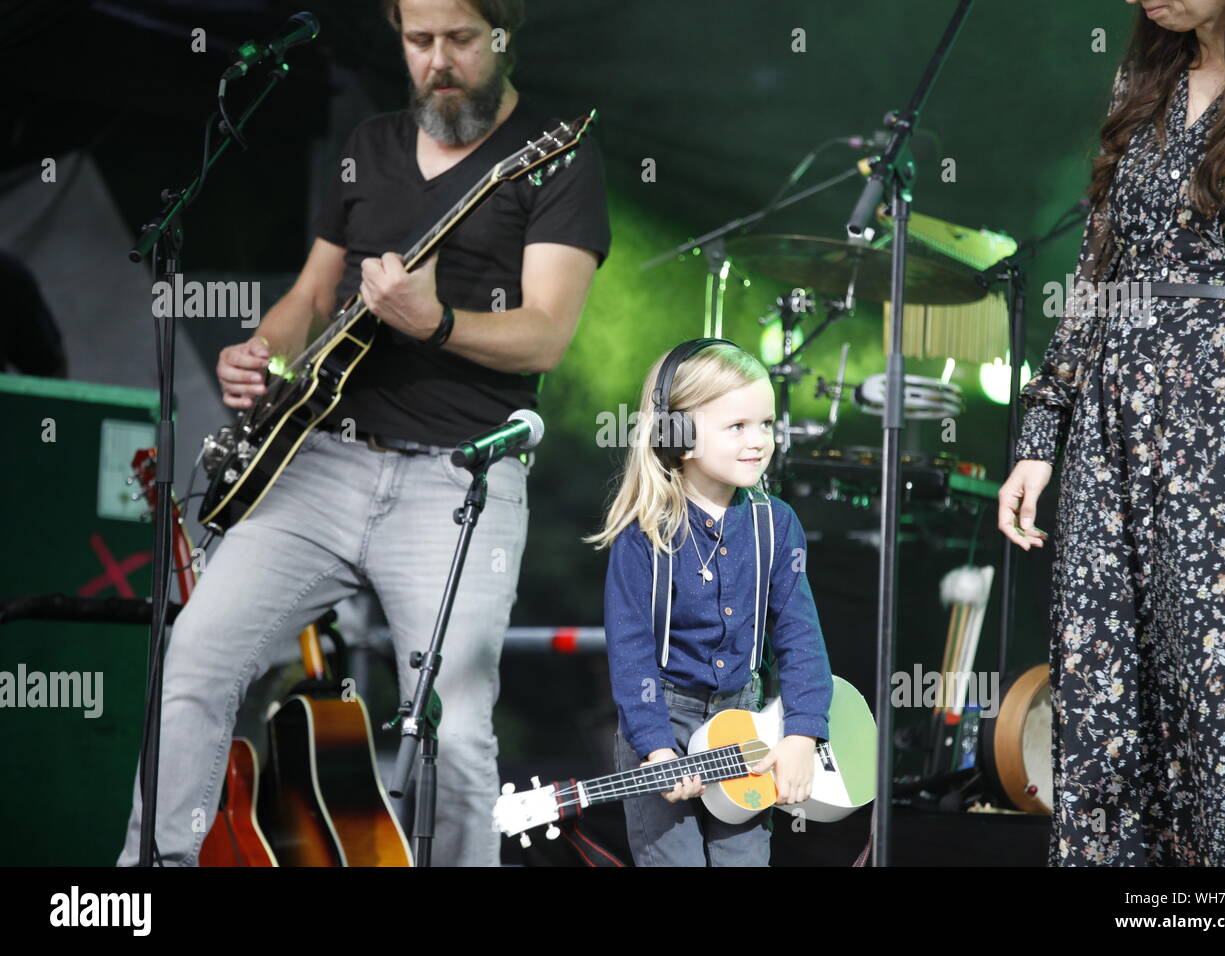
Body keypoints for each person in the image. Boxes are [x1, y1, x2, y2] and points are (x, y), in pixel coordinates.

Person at [116, 0, 610, 866]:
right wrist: (260, 350)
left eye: (460, 39)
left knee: (453, 735)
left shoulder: (559, 155)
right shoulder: (370, 145)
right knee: (193, 658)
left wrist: (437, 321)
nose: (438, 62)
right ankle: (148, 876)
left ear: (504, 33)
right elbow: (313, 296)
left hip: (461, 482)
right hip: (323, 463)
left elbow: (547, 333)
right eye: (419, 42)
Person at [998, 0, 1225, 865]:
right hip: (1112, 425)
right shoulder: (1143, 78)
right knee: (1105, 686)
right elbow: (1099, 261)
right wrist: (1041, 428)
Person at [584, 340, 834, 866]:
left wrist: (803, 733)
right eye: (737, 427)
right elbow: (631, 656)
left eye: (766, 424)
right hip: (662, 721)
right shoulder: (644, 534)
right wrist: (656, 748)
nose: (759, 441)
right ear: (678, 437)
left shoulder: (777, 523)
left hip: (745, 722)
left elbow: (799, 636)